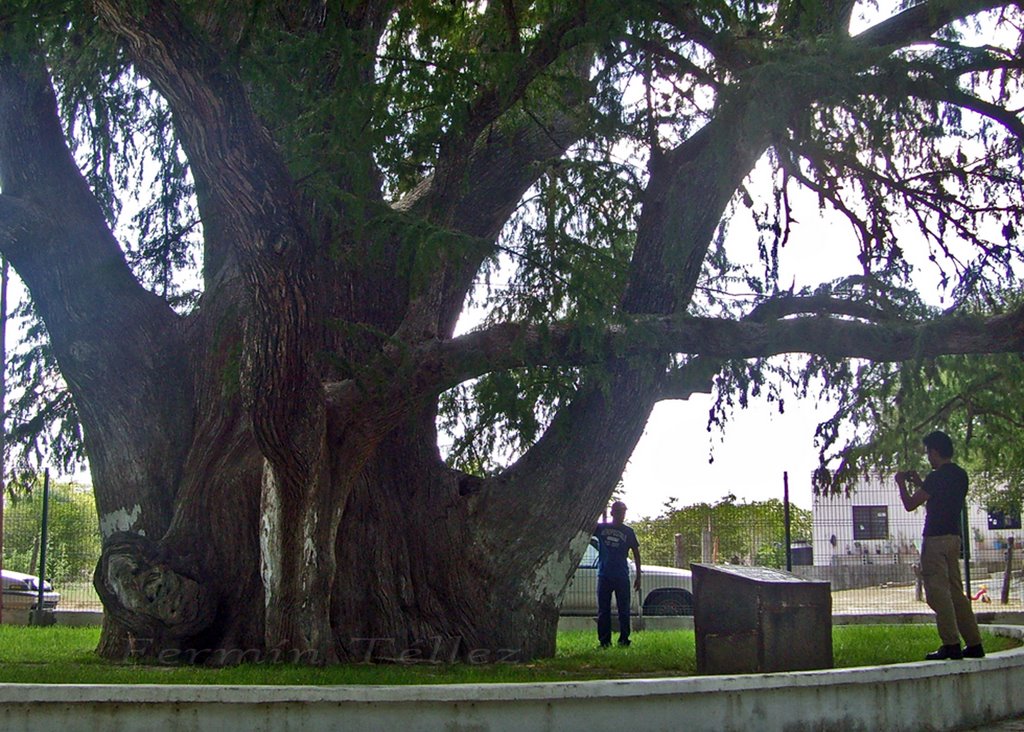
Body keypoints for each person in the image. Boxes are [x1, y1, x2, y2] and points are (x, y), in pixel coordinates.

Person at [895, 430, 984, 661]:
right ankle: (974, 643)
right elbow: (940, 500)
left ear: (934, 451)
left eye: (928, 453)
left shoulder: (936, 478)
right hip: (954, 538)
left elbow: (910, 504)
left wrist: (901, 484)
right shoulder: (960, 475)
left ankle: (951, 643)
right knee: (956, 593)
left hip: (934, 539)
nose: (928, 458)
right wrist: (920, 482)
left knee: (937, 594)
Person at [593, 501, 642, 648]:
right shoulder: (601, 528)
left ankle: (624, 639)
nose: (622, 515)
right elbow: (589, 526)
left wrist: (638, 576)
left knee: (624, 610)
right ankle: (604, 641)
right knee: (603, 610)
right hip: (604, 575)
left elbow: (636, 553)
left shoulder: (628, 532)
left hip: (621, 575)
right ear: (612, 512)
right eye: (619, 512)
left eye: (623, 512)